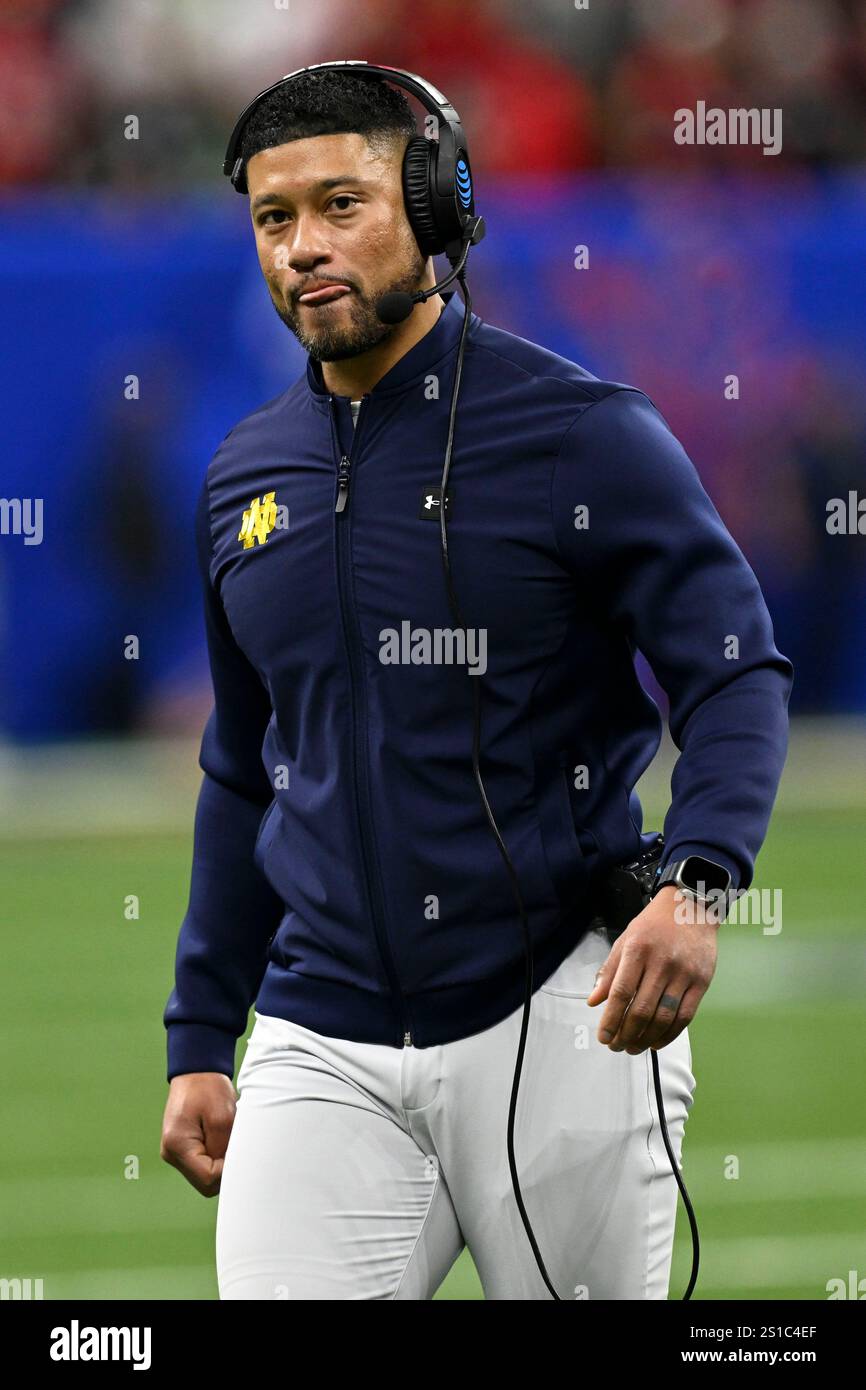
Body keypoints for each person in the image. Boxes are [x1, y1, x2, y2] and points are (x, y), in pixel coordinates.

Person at [160, 67, 793, 1300]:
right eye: (273, 219)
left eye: (340, 205)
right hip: (319, 1027)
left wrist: (699, 881)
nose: (302, 249)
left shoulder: (581, 432)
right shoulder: (243, 479)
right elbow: (243, 770)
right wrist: (199, 1034)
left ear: (437, 206)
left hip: (564, 1009)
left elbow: (733, 671)